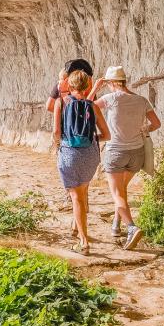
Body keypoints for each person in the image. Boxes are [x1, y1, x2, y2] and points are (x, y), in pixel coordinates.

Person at [96, 66, 161, 250]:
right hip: (137, 154)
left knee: (117, 193)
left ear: (111, 83)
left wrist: (95, 89)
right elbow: (156, 124)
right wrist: (143, 129)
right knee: (122, 189)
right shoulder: (142, 100)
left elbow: (86, 107)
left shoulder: (111, 98)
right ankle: (116, 226)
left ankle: (132, 227)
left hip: (116, 152)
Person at [50, 68, 109, 253]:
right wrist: (91, 138)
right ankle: (77, 228)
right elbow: (107, 135)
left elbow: (56, 132)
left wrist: (58, 145)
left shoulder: (61, 102)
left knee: (76, 197)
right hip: (90, 155)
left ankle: (83, 242)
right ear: (87, 86)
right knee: (81, 195)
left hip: (69, 153)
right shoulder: (93, 106)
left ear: (69, 86)